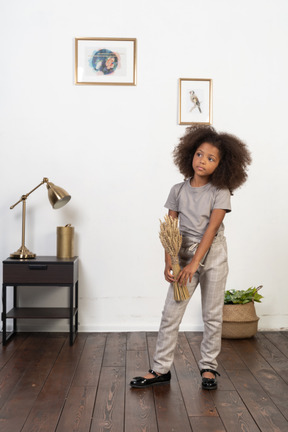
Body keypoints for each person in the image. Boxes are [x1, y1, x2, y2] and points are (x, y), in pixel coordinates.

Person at [130, 125, 251, 390]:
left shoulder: (220, 192)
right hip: (182, 252)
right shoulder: (177, 190)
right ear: (189, 155)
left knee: (211, 313)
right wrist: (169, 262)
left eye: (211, 158)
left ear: (221, 165)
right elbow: (170, 229)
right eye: (199, 154)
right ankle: (160, 369)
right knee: (171, 313)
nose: (203, 161)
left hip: (213, 252)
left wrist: (195, 263)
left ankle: (209, 367)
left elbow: (212, 229)